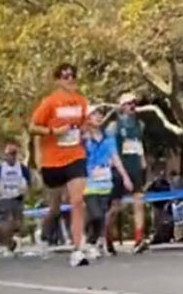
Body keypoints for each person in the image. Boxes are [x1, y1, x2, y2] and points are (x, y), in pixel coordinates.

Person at [31, 63, 93, 266]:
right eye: (65, 76)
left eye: (73, 75)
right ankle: (43, 235)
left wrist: (87, 129)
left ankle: (78, 248)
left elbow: (84, 124)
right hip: (53, 162)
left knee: (77, 202)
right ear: (58, 80)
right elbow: (33, 127)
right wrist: (53, 132)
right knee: (55, 207)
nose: (70, 79)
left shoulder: (82, 101)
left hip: (76, 156)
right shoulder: (50, 102)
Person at [82, 111, 131, 255]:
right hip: (89, 182)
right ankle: (88, 239)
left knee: (102, 216)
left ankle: (93, 243)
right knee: (95, 214)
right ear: (87, 118)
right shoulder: (83, 139)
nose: (97, 117)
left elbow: (115, 157)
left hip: (104, 182)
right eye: (93, 114)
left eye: (99, 114)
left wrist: (125, 177)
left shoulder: (109, 138)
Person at [108, 93, 149, 252]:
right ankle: (107, 234)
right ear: (121, 107)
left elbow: (139, 144)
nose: (132, 106)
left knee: (139, 202)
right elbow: (112, 150)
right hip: (120, 169)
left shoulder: (140, 124)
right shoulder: (114, 126)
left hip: (135, 167)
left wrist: (143, 161)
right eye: (128, 103)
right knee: (115, 206)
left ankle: (139, 238)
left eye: (134, 103)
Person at [0, 142, 33, 253]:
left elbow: (29, 182)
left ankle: (15, 241)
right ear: (6, 155)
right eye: (9, 154)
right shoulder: (1, 168)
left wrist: (26, 191)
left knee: (18, 222)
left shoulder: (21, 168)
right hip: (4, 197)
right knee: (7, 221)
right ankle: (8, 243)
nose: (11, 156)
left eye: (13, 154)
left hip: (18, 197)